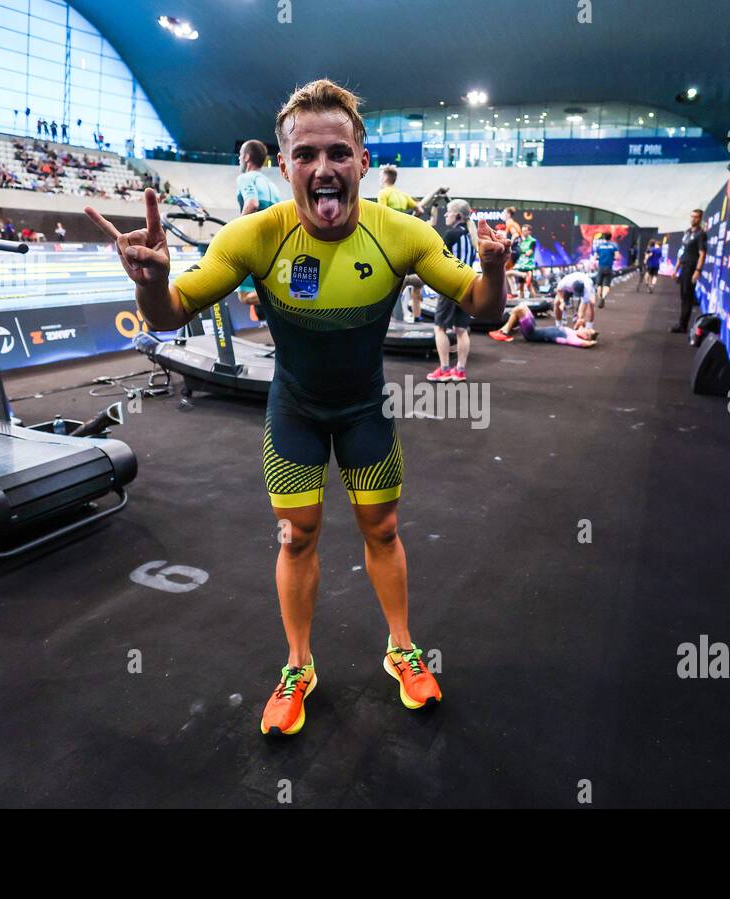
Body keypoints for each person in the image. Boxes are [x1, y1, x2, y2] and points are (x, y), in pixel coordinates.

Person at [85, 78, 510, 737]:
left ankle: (401, 648)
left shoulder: (402, 234)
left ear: (362, 162)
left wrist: (494, 269)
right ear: (283, 167)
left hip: (366, 413)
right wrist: (154, 282)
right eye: (304, 156)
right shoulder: (255, 236)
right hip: (297, 416)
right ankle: (297, 666)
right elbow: (171, 313)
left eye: (338, 153)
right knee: (298, 535)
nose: (323, 169)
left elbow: (482, 306)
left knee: (385, 530)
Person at [425, 198, 478, 382]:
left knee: (440, 328)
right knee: (461, 329)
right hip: (469, 287)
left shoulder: (451, 235)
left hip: (450, 288)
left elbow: (437, 260)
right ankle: (460, 370)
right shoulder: (473, 236)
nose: (445, 215)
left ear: (457, 215)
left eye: (448, 212)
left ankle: (445, 369)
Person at [233, 138, 281, 308]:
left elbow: (252, 203)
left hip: (254, 244)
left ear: (246, 157)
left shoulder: (245, 178)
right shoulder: (272, 185)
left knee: (245, 296)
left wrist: (233, 230)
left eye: (240, 155)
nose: (239, 159)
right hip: (273, 247)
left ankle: (290, 297)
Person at [488, 302, 598, 347]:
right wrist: (583, 324)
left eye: (586, 331)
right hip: (535, 328)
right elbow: (581, 323)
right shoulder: (574, 332)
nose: (584, 328)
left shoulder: (572, 338)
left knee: (520, 309)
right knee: (522, 306)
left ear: (585, 336)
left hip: (531, 334)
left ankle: (504, 331)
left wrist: (592, 341)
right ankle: (504, 330)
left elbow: (584, 344)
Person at [672, 209, 706, 333]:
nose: (693, 219)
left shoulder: (701, 234)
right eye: (692, 216)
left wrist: (698, 270)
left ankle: (683, 325)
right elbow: (682, 252)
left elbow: (702, 254)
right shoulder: (687, 233)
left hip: (692, 267)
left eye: (696, 217)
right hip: (684, 266)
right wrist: (676, 269)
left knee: (687, 297)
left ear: (700, 218)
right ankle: (681, 322)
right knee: (683, 296)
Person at [505, 222, 538, 298]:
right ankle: (521, 302)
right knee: (521, 286)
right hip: (520, 266)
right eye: (522, 231)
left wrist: (521, 252)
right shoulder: (520, 241)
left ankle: (536, 304)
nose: (523, 232)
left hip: (528, 266)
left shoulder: (532, 241)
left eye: (525, 231)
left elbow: (529, 252)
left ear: (529, 231)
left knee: (529, 285)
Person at [592, 231, 619, 306]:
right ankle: (603, 297)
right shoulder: (614, 246)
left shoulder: (599, 246)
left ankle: (600, 297)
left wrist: (600, 258)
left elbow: (595, 257)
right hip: (609, 267)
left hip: (601, 267)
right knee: (606, 284)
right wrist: (611, 258)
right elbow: (617, 257)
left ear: (603, 237)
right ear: (611, 237)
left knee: (599, 284)